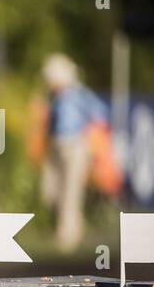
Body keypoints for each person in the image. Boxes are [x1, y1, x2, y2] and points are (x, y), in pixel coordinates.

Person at [39, 54, 109, 251]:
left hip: (76, 147)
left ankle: (68, 236)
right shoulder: (53, 98)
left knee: (71, 192)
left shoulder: (78, 94)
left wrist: (91, 140)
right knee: (53, 191)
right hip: (56, 148)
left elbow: (101, 114)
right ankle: (68, 229)